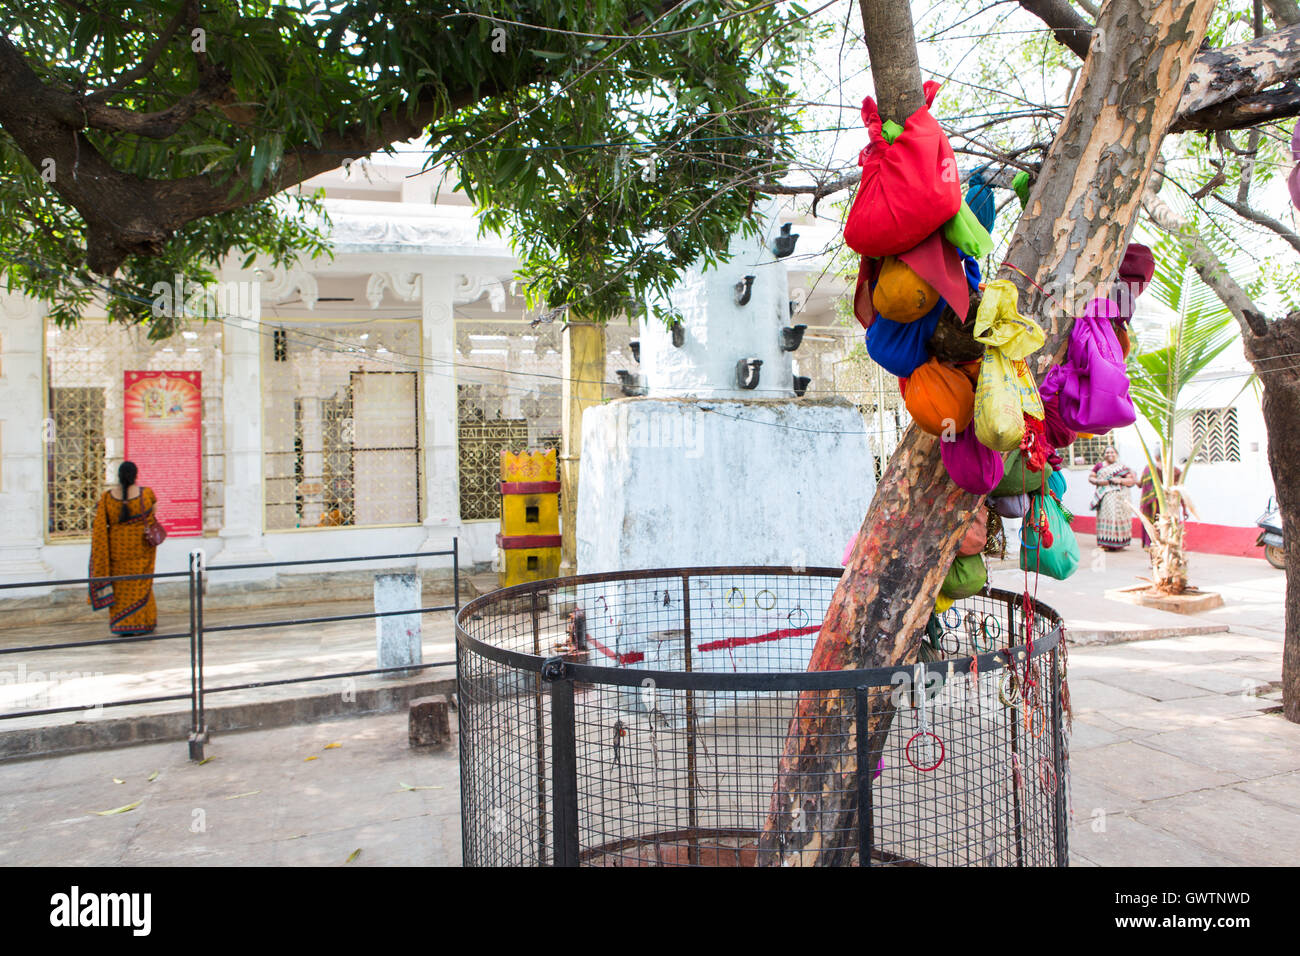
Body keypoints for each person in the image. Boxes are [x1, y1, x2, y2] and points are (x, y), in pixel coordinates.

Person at [88, 461, 161, 635]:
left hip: (117, 551)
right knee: (140, 584)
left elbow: (99, 525)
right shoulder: (146, 494)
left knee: (121, 587)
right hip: (140, 550)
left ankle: (122, 624)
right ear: (136, 474)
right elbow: (154, 514)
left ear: (119, 475)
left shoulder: (107, 497)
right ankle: (142, 623)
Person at [1089, 446, 1137, 551]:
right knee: (1107, 518)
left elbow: (1131, 481)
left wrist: (1119, 480)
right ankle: (1105, 543)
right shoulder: (1099, 466)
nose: (1110, 454)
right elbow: (1091, 477)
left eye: (1112, 452)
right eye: (1107, 452)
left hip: (1120, 497)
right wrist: (1100, 482)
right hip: (1105, 497)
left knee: (1119, 518)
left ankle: (1120, 542)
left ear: (1117, 454)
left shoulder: (1122, 467)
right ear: (1104, 455)